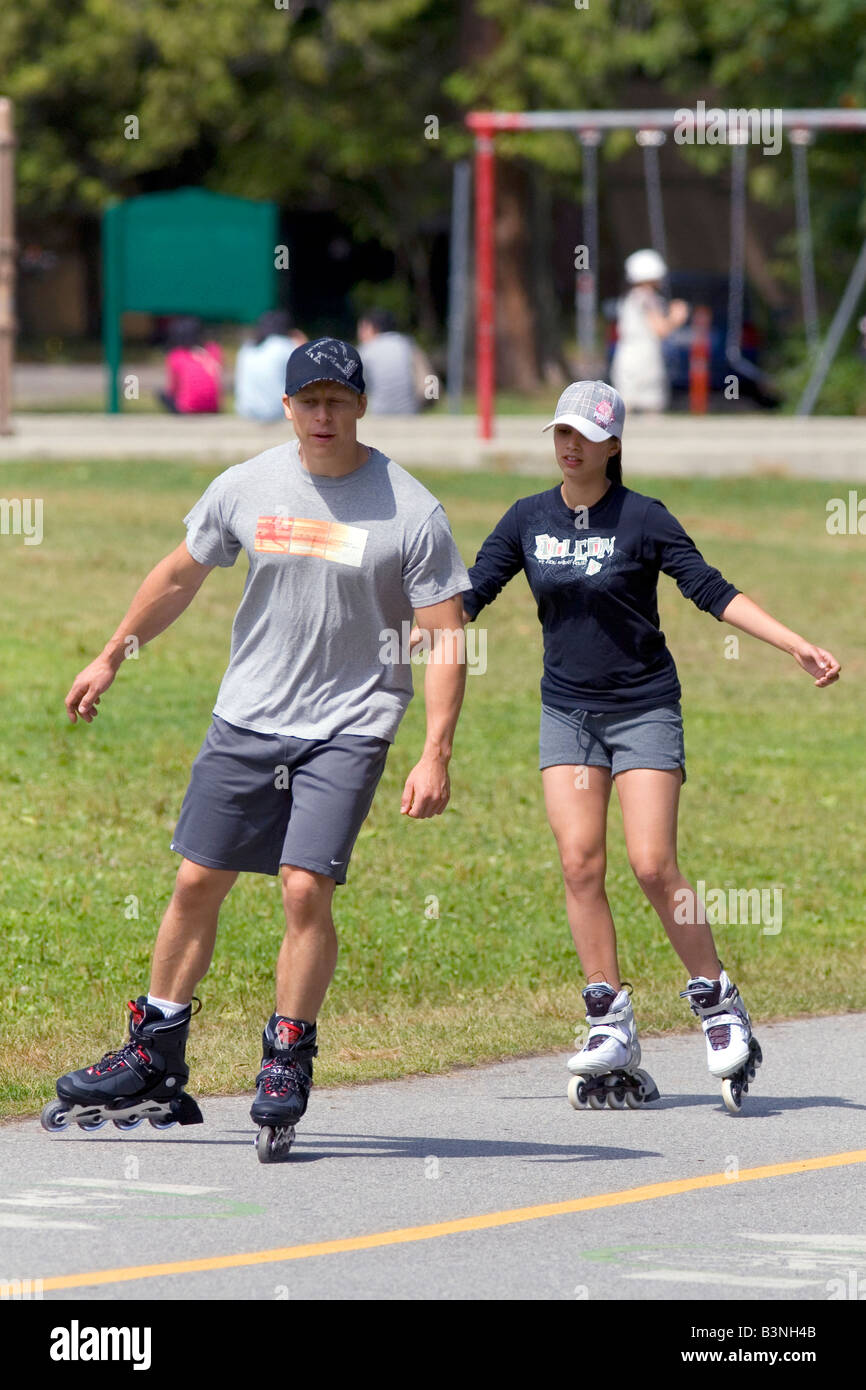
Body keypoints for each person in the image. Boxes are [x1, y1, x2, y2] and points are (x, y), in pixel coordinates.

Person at [51, 337, 470, 1157]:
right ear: (286, 407)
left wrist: (436, 751)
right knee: (197, 878)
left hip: (350, 722)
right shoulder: (246, 485)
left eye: (338, 401)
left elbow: (446, 636)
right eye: (308, 401)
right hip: (248, 716)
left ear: (359, 407)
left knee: (304, 888)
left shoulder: (410, 509)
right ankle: (154, 1049)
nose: (323, 415)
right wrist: (111, 654)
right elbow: (180, 574)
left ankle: (286, 1055)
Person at [460, 380, 841, 1111]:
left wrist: (794, 643)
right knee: (579, 861)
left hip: (642, 710)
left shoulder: (643, 518)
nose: (569, 446)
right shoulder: (527, 519)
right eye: (560, 433)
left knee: (651, 861)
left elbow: (711, 589)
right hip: (567, 713)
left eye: (584, 435)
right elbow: (469, 594)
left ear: (613, 445)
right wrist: (393, 618)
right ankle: (609, 1022)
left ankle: (718, 1001)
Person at [610, 249, 688, 412]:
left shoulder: (629, 297)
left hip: (626, 356)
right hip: (645, 358)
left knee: (624, 409)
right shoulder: (647, 297)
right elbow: (661, 329)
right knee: (651, 407)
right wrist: (677, 316)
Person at [234, 310, 307, 423]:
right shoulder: (286, 346)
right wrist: (304, 344)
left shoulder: (247, 348)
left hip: (247, 411)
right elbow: (309, 373)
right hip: (276, 413)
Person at [357, 309, 424, 414]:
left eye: (362, 328)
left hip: (379, 411)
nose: (360, 334)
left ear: (372, 327)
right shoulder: (407, 344)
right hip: (410, 411)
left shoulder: (366, 349)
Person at [158, 316, 222, 414]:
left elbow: (172, 389)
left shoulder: (176, 355)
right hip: (213, 407)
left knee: (161, 395)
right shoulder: (213, 350)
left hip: (188, 408)